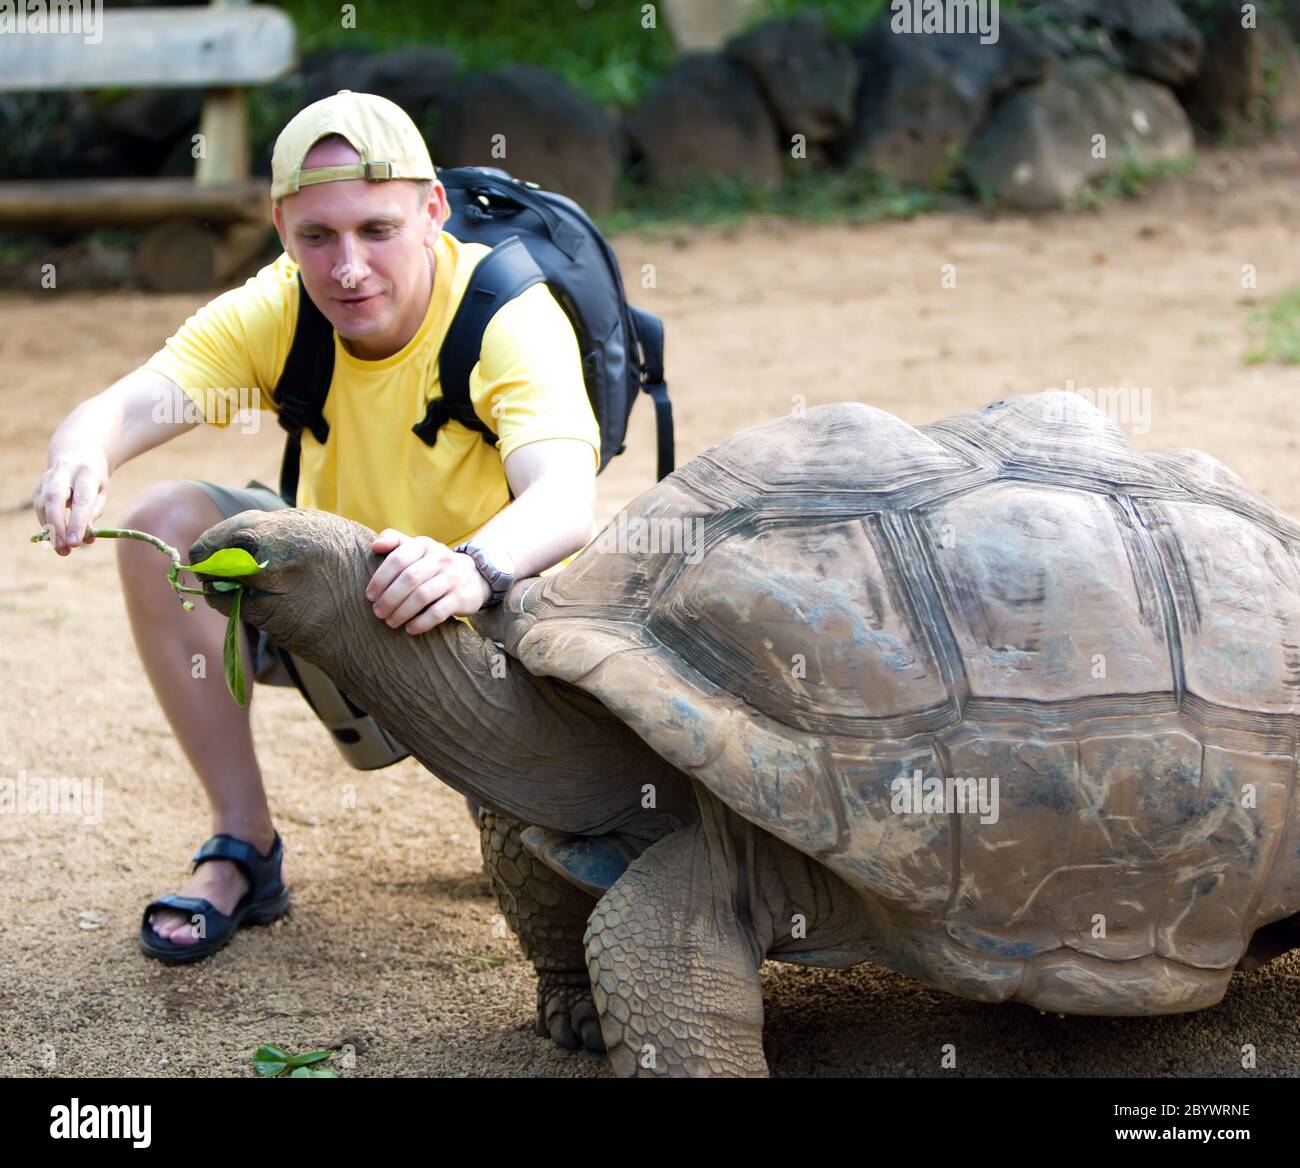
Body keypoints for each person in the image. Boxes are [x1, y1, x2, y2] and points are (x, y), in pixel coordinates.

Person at [31, 92, 600, 962]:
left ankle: (511, 791)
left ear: (432, 211)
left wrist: (471, 566)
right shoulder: (282, 308)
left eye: (377, 229)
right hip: (341, 604)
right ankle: (243, 845)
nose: (348, 269)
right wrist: (82, 449)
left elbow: (564, 497)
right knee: (165, 526)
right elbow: (125, 405)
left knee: (555, 866)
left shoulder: (507, 316)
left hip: (483, 622)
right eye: (317, 238)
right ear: (281, 229)